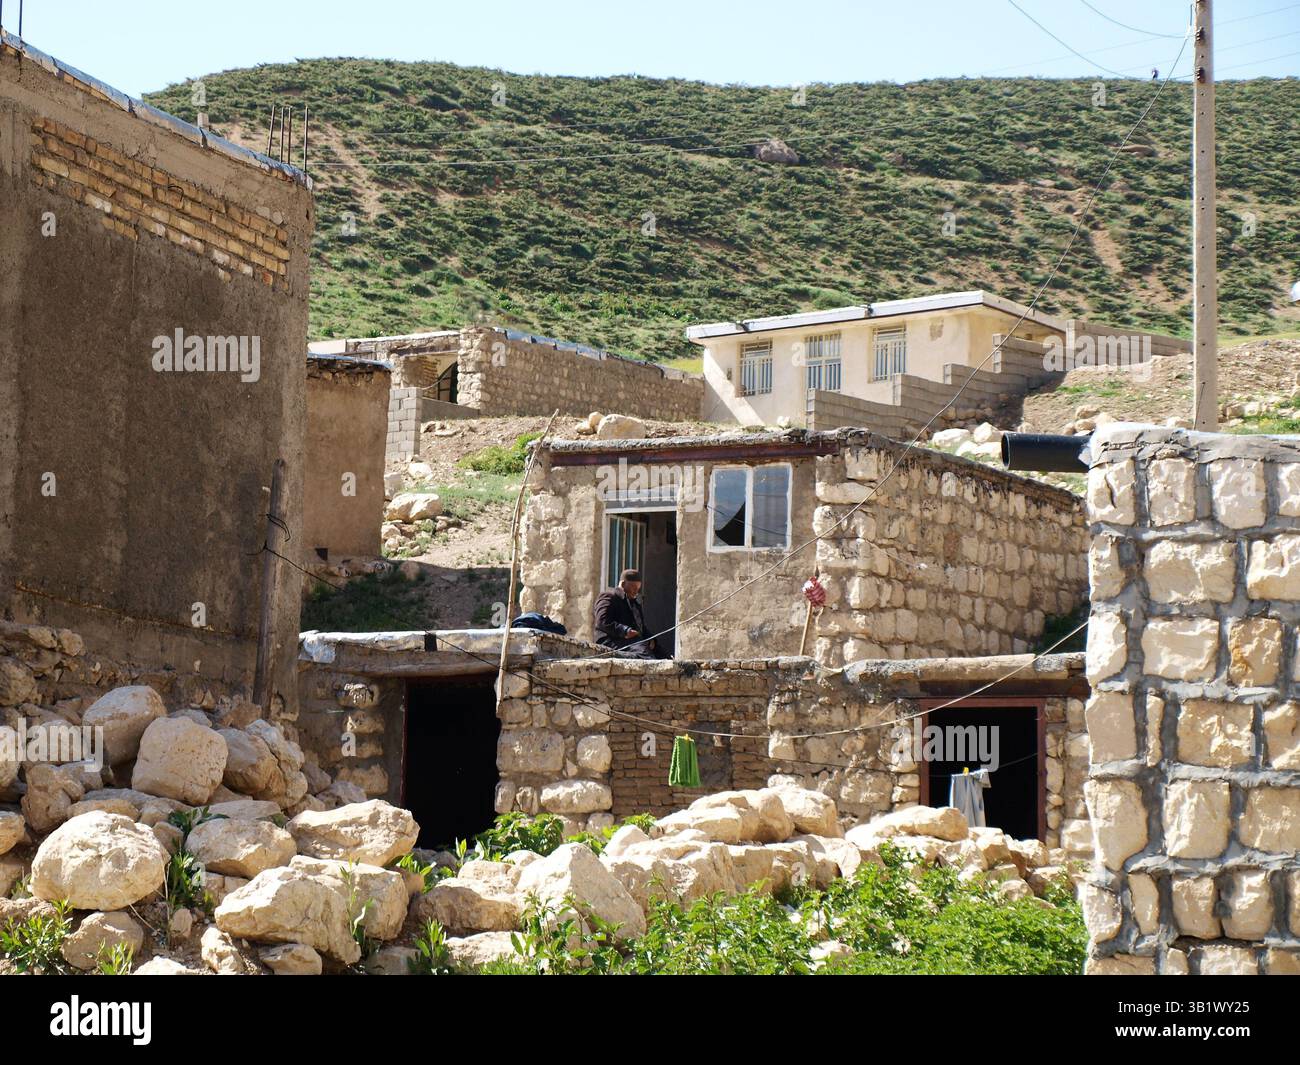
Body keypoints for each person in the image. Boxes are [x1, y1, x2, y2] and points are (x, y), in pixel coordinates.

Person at [593, 569, 664, 658]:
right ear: (623, 584)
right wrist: (625, 631)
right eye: (634, 588)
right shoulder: (609, 596)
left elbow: (641, 627)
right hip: (610, 640)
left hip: (633, 642)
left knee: (663, 655)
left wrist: (651, 639)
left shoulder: (634, 604)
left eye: (638, 589)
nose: (636, 592)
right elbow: (602, 621)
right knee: (645, 654)